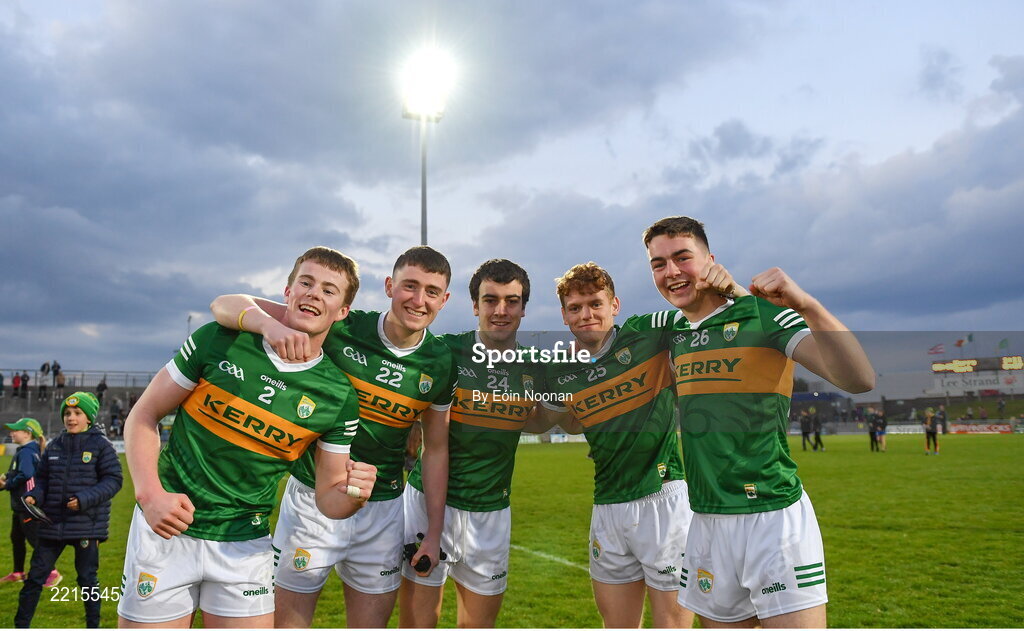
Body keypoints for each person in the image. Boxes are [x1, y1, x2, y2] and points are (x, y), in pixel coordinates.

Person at [117, 247, 375, 628]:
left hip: (245, 544)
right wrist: (150, 495)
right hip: (166, 532)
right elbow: (144, 415)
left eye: (328, 290)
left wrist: (354, 493)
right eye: (305, 282)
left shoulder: (338, 397)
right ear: (287, 291)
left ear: (342, 311)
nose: (313, 294)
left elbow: (329, 497)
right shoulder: (220, 339)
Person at [644, 216, 874, 628]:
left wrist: (806, 304)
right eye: (659, 264)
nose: (671, 272)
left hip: (772, 518)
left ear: (709, 260)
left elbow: (858, 380)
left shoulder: (763, 315)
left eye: (682, 258)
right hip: (707, 522)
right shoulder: (671, 333)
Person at [209, 245, 456, 628]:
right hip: (312, 499)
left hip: (383, 509)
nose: (418, 300)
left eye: (431, 291)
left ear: (445, 300)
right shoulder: (342, 325)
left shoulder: (440, 363)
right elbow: (226, 305)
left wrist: (433, 532)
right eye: (409, 286)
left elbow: (436, 450)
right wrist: (269, 325)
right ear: (390, 285)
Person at [536, 262, 698, 629]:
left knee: (671, 625)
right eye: (575, 308)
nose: (586, 314)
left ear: (615, 305)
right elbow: (545, 419)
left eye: (595, 303)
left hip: (663, 498)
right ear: (564, 315)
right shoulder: (561, 368)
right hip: (607, 505)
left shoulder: (648, 335)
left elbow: (698, 312)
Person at [400, 259, 549, 628]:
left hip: (491, 512)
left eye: (512, 301)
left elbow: (544, 419)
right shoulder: (444, 351)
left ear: (523, 308)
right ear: (474, 305)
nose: (501, 310)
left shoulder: (537, 366)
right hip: (427, 505)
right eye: (490, 300)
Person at [15, 393, 123, 628]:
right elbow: (42, 479)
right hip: (51, 524)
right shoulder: (55, 445)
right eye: (67, 413)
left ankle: (93, 626)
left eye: (77, 413)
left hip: (87, 525)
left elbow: (114, 480)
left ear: (89, 418)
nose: (71, 418)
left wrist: (84, 499)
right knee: (34, 579)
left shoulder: (101, 446)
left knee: (87, 579)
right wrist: (34, 495)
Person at [1, 419, 58, 586]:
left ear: (27, 433)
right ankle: (18, 572)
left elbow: (25, 474)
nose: (11, 433)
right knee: (16, 537)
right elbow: (20, 472)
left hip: (26, 503)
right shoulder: (28, 451)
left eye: (15, 430)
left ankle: (52, 571)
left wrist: (7, 484)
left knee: (34, 539)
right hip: (20, 504)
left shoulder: (26, 452)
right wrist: (7, 476)